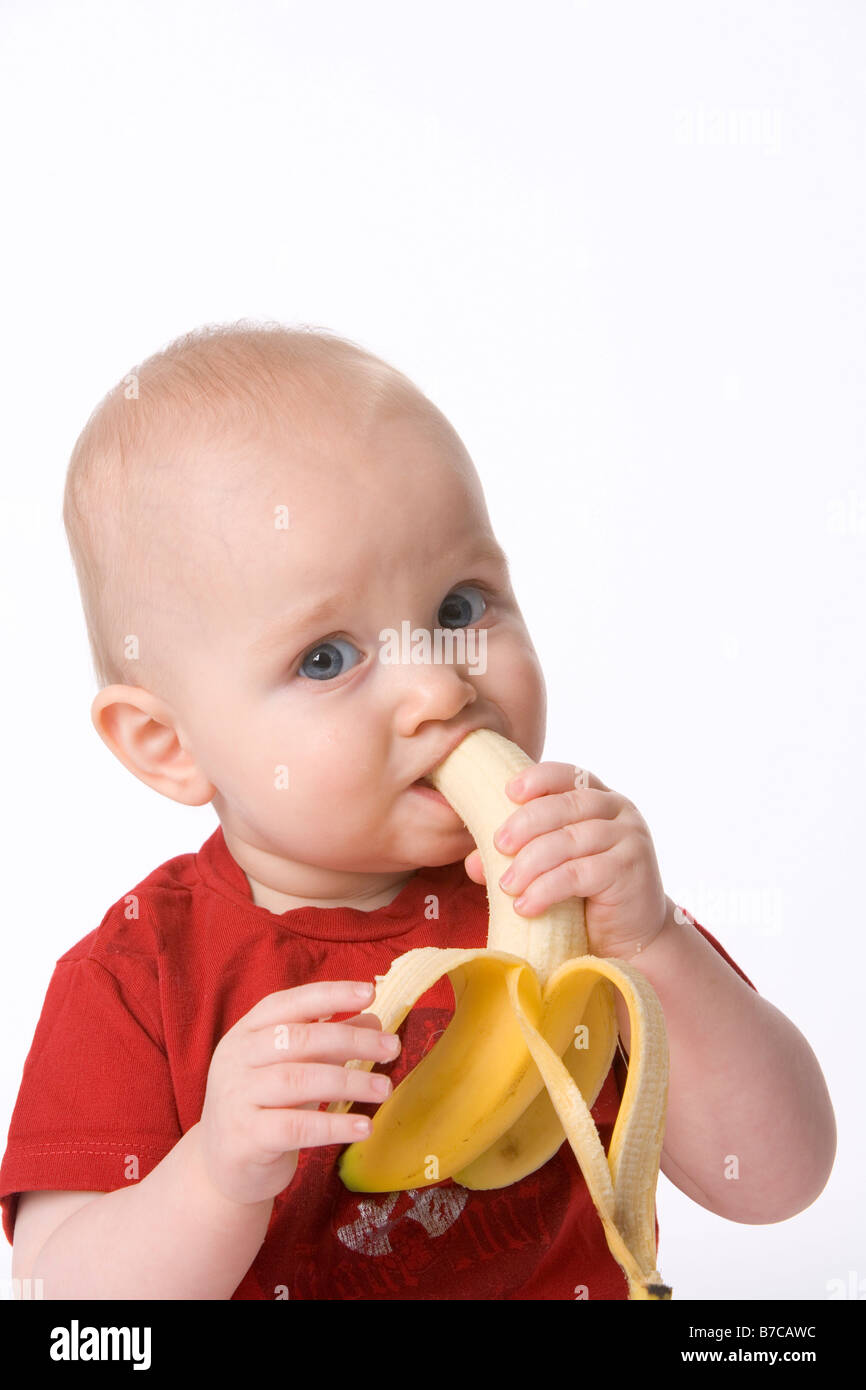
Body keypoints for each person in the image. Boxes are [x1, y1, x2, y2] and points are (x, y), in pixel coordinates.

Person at [0, 323, 836, 1299]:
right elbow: (72, 1303)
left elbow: (777, 1179)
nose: (440, 688)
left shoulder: (577, 902)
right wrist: (213, 1174)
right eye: (325, 657)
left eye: (457, 606)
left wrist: (650, 942)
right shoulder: (137, 974)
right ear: (169, 744)